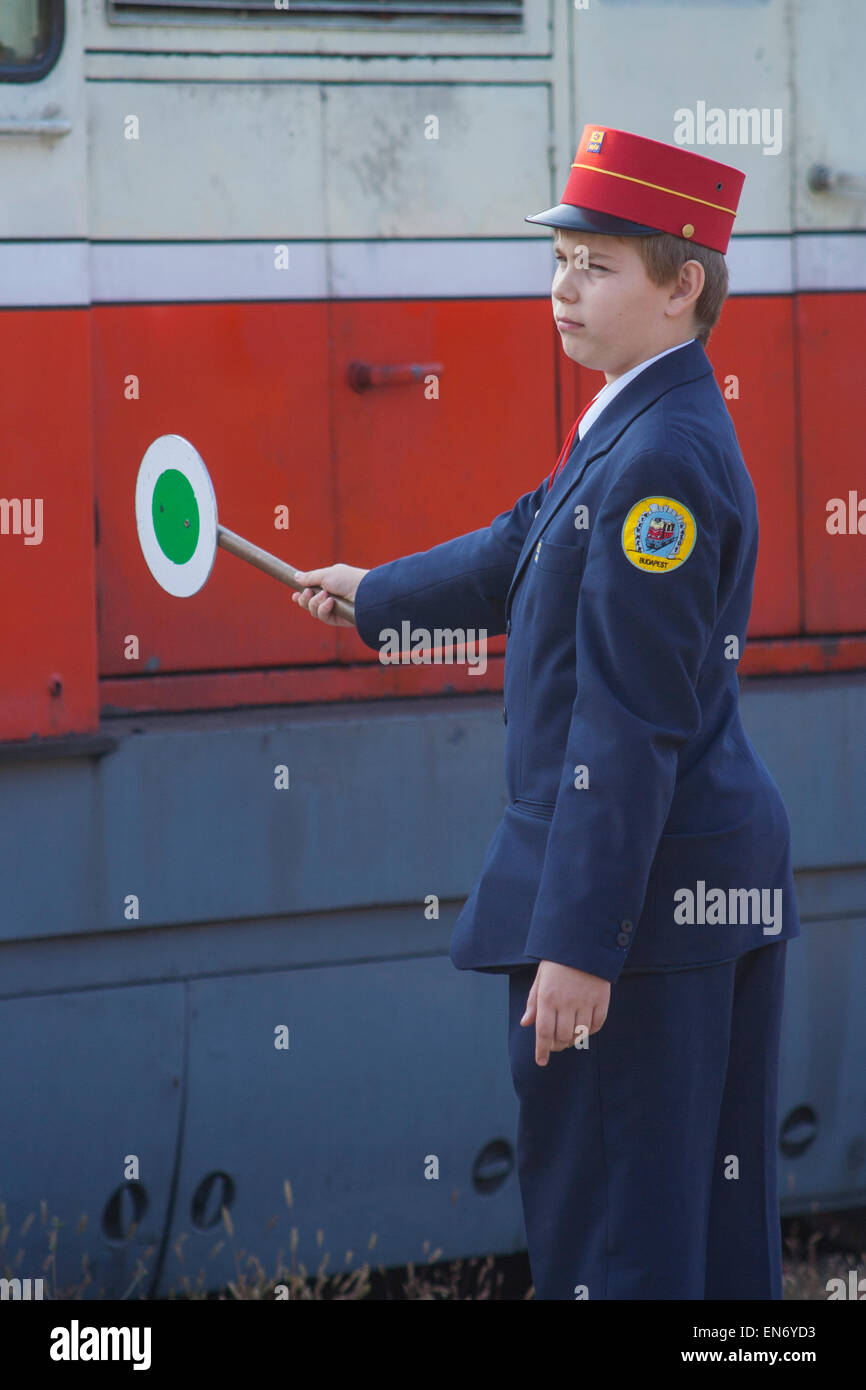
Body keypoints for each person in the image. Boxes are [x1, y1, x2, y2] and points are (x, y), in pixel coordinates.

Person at [291, 125, 800, 1301]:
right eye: (560, 259)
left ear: (681, 288)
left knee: (619, 1242)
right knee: (703, 1240)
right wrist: (374, 594)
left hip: (641, 907)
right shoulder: (633, 418)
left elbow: (628, 723)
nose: (562, 287)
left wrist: (578, 943)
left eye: (596, 265)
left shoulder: (655, 459)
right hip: (693, 875)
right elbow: (520, 540)